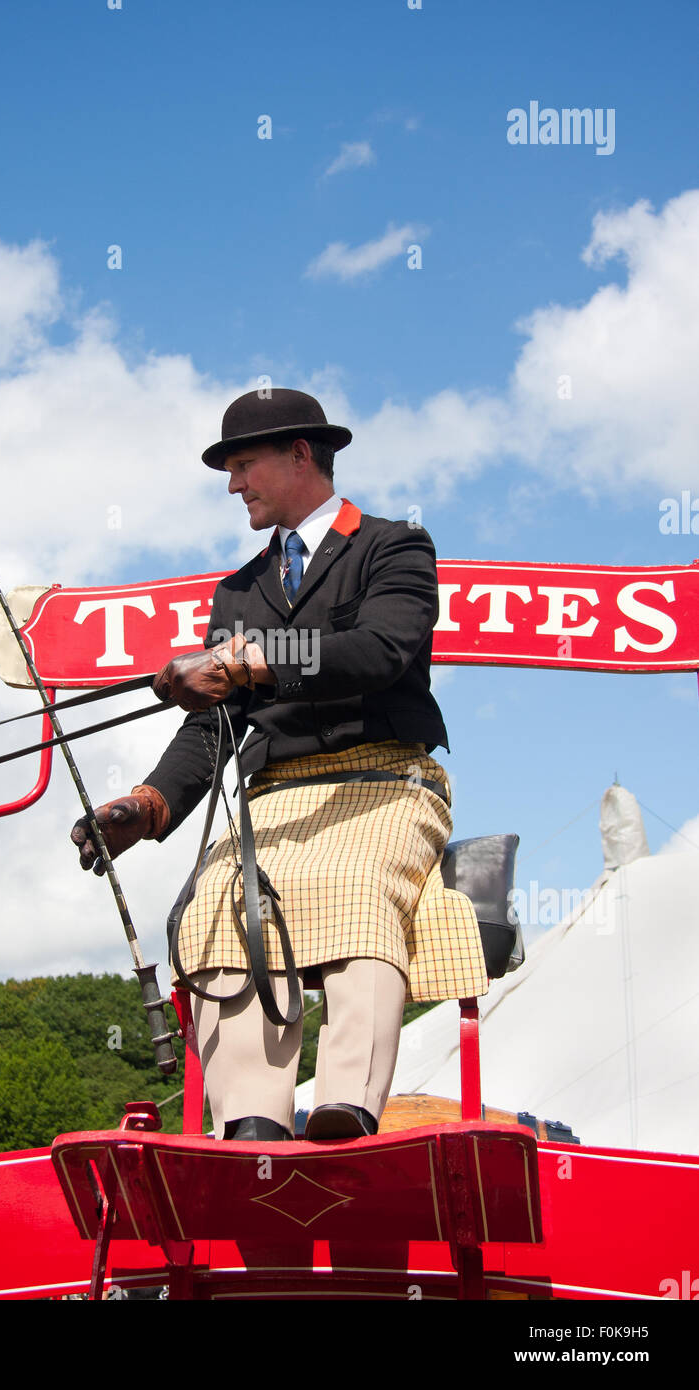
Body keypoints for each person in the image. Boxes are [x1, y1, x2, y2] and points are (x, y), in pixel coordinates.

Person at [71, 389, 487, 1142]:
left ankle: (344, 1112)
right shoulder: (238, 590)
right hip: (274, 797)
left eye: (243, 465)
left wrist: (249, 663)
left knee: (357, 888)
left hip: (385, 781)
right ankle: (253, 1124)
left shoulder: (395, 546)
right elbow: (214, 728)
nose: (234, 485)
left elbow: (380, 651)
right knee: (217, 911)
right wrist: (148, 806)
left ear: (302, 455)